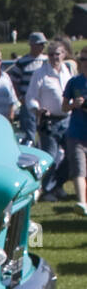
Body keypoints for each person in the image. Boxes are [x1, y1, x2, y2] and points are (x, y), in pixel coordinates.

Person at [26, 43, 74, 195]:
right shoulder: (40, 74)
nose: (55, 57)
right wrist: (38, 109)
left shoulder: (67, 71)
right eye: (52, 54)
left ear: (64, 54)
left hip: (67, 119)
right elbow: (31, 97)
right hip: (49, 121)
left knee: (72, 155)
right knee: (50, 157)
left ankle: (57, 185)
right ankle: (45, 189)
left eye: (58, 54)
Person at [62, 60, 87, 213]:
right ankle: (82, 203)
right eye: (83, 60)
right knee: (79, 168)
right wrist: (74, 105)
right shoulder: (74, 82)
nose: (85, 63)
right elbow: (63, 107)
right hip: (76, 132)